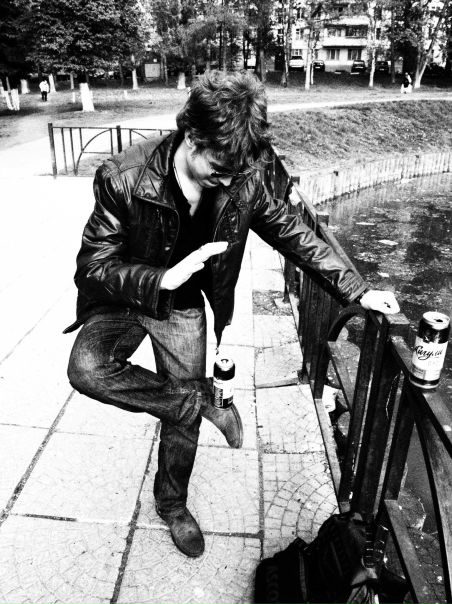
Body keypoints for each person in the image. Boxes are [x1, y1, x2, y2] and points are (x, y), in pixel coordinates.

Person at [66, 70, 399, 559]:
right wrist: (160, 278)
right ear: (192, 136)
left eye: (234, 172)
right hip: (128, 297)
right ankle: (203, 401)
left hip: (182, 308)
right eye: (219, 168)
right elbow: (92, 267)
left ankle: (172, 503)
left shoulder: (245, 173)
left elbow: (294, 232)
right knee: (86, 368)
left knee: (180, 417)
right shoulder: (123, 176)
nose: (227, 180)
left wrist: (358, 290)